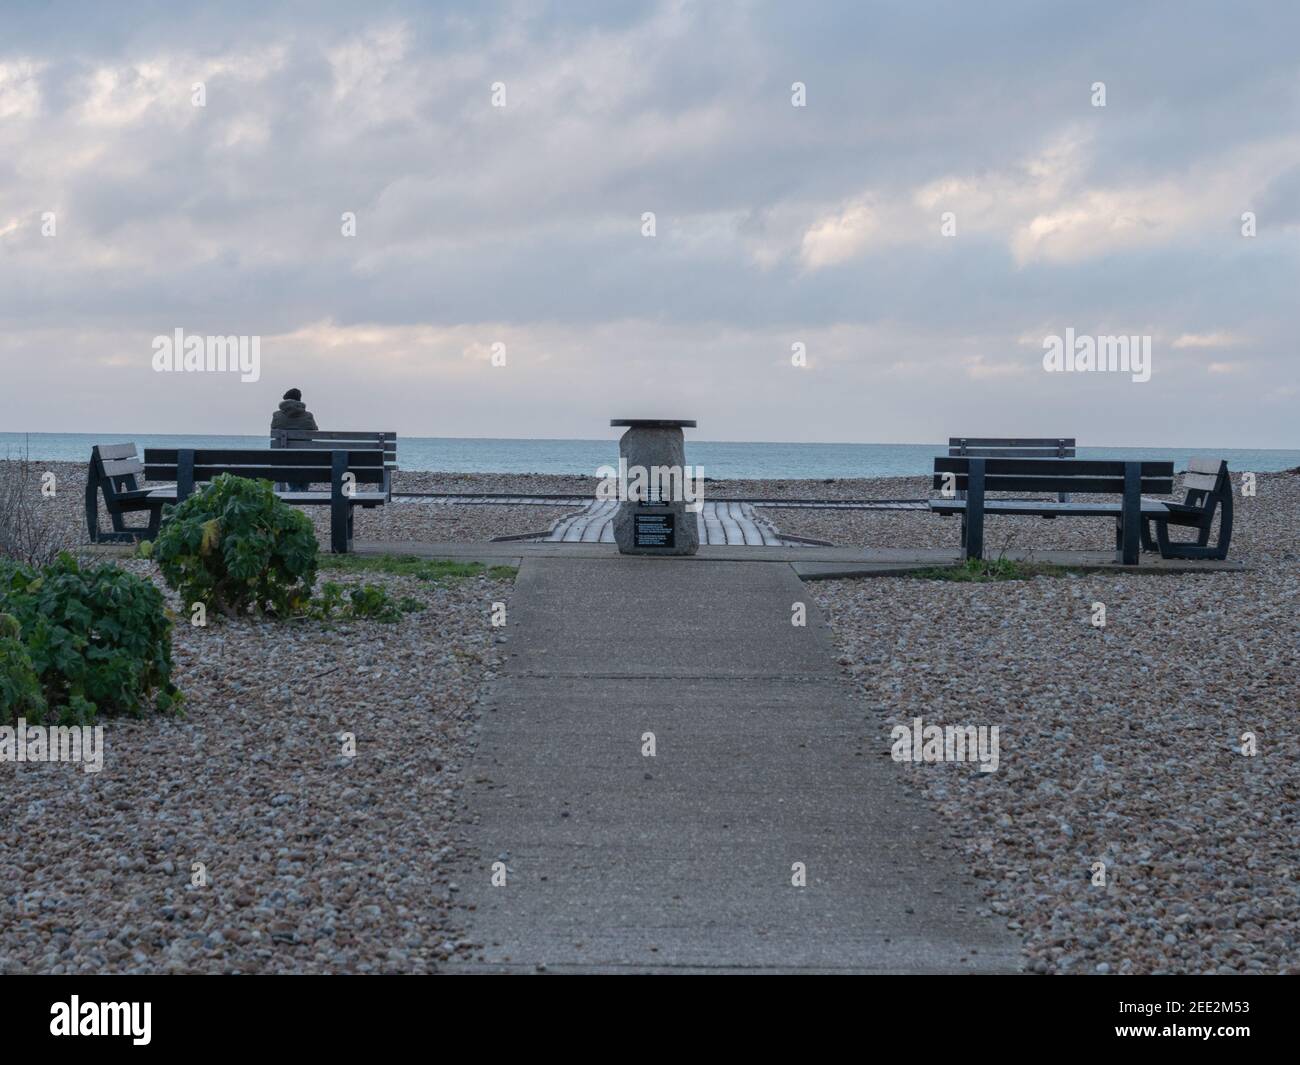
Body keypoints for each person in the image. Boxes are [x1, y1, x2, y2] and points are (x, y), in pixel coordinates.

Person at [270, 388, 318, 491]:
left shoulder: (277, 415)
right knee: (305, 459)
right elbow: (315, 432)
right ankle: (302, 489)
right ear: (299, 400)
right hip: (306, 458)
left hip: (285, 457)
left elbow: (273, 429)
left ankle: (295, 489)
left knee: (289, 458)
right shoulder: (308, 416)